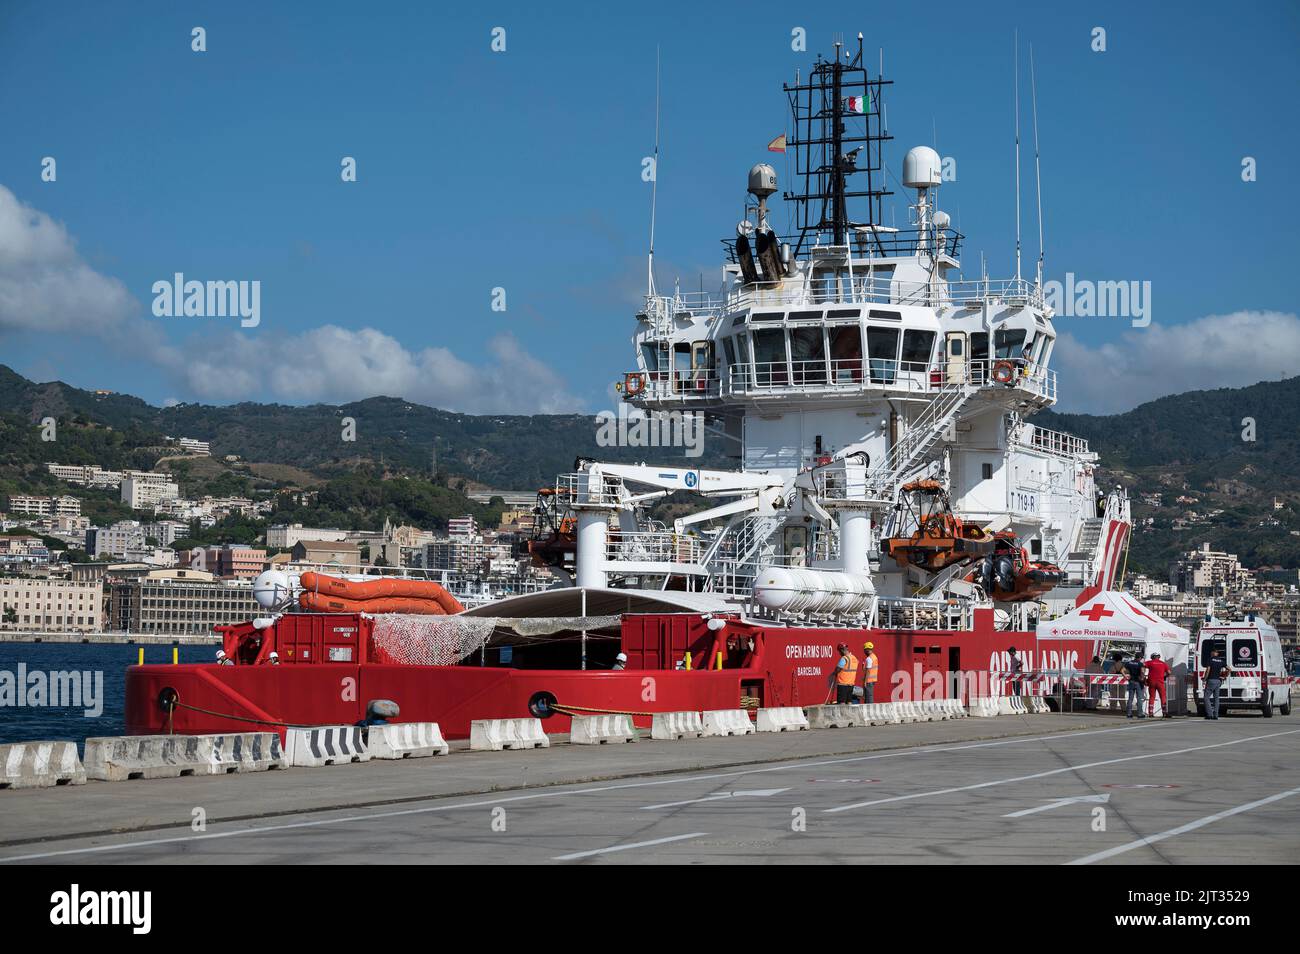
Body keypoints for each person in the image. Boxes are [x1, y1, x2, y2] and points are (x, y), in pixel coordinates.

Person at [1203, 649, 1231, 720]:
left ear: (1212, 653)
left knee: (1206, 697)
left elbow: (1208, 670)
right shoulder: (1221, 661)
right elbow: (1229, 669)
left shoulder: (1210, 660)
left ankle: (1210, 714)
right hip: (1218, 681)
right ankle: (1216, 715)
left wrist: (1204, 679)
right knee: (1216, 698)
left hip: (1211, 680)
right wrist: (1224, 676)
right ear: (1217, 653)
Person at [1145, 652, 1171, 718]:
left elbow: (1142, 666)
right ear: (1159, 657)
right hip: (1160, 682)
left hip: (1151, 682)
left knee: (1152, 697)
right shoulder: (1163, 663)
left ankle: (1150, 712)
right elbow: (1169, 672)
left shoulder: (1149, 662)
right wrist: (1164, 676)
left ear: (1152, 657)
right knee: (1163, 697)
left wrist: (1143, 677)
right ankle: (1164, 712)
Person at [1121, 654, 1147, 718]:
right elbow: (1142, 672)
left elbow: (1122, 670)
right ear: (1140, 658)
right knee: (1139, 698)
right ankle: (1140, 714)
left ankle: (1129, 714)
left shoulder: (1129, 663)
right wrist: (1142, 678)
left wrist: (1125, 676)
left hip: (1131, 681)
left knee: (1130, 698)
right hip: (1138, 682)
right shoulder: (1140, 664)